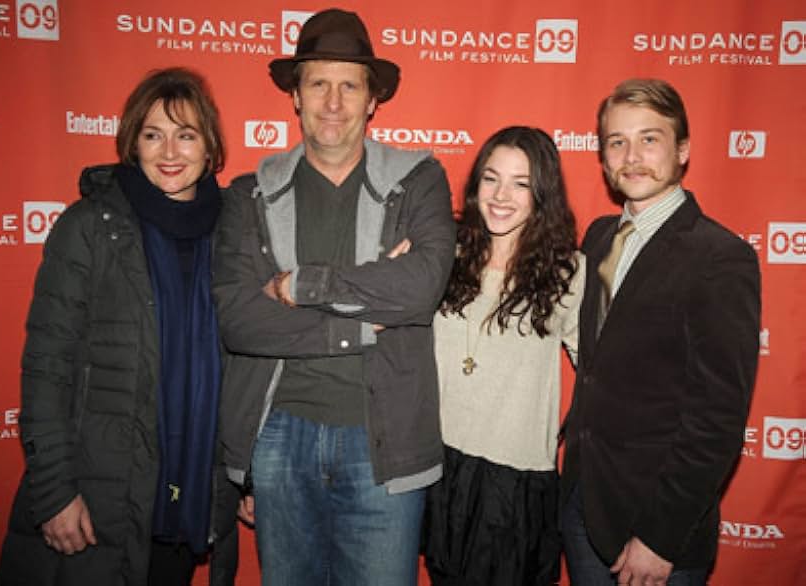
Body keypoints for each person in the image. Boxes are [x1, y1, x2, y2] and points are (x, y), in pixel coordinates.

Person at [211, 8, 456, 586]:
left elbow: (419, 289)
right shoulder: (249, 194)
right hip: (277, 438)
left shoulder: (419, 179)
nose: (333, 102)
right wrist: (362, 323)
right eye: (317, 83)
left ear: (373, 100)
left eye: (350, 85)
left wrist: (302, 286)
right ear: (294, 95)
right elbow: (240, 320)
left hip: (384, 442)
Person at [0, 67, 232, 586]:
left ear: (210, 146)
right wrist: (54, 491)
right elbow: (46, 368)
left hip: (186, 497)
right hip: (97, 499)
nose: (169, 150)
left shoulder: (233, 233)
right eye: (153, 135)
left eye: (185, 134)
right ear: (133, 144)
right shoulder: (89, 226)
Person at [560, 78, 761, 585]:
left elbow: (717, 418)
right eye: (616, 142)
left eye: (650, 139)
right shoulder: (599, 237)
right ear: (602, 156)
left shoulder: (720, 257)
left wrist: (660, 536)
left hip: (654, 531)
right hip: (584, 507)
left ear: (683, 150)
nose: (632, 156)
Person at [423, 126, 585, 585]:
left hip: (512, 480)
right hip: (440, 464)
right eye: (491, 178)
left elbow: (603, 375)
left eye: (520, 183)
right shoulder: (445, 255)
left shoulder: (570, 273)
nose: (501, 195)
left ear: (542, 194)